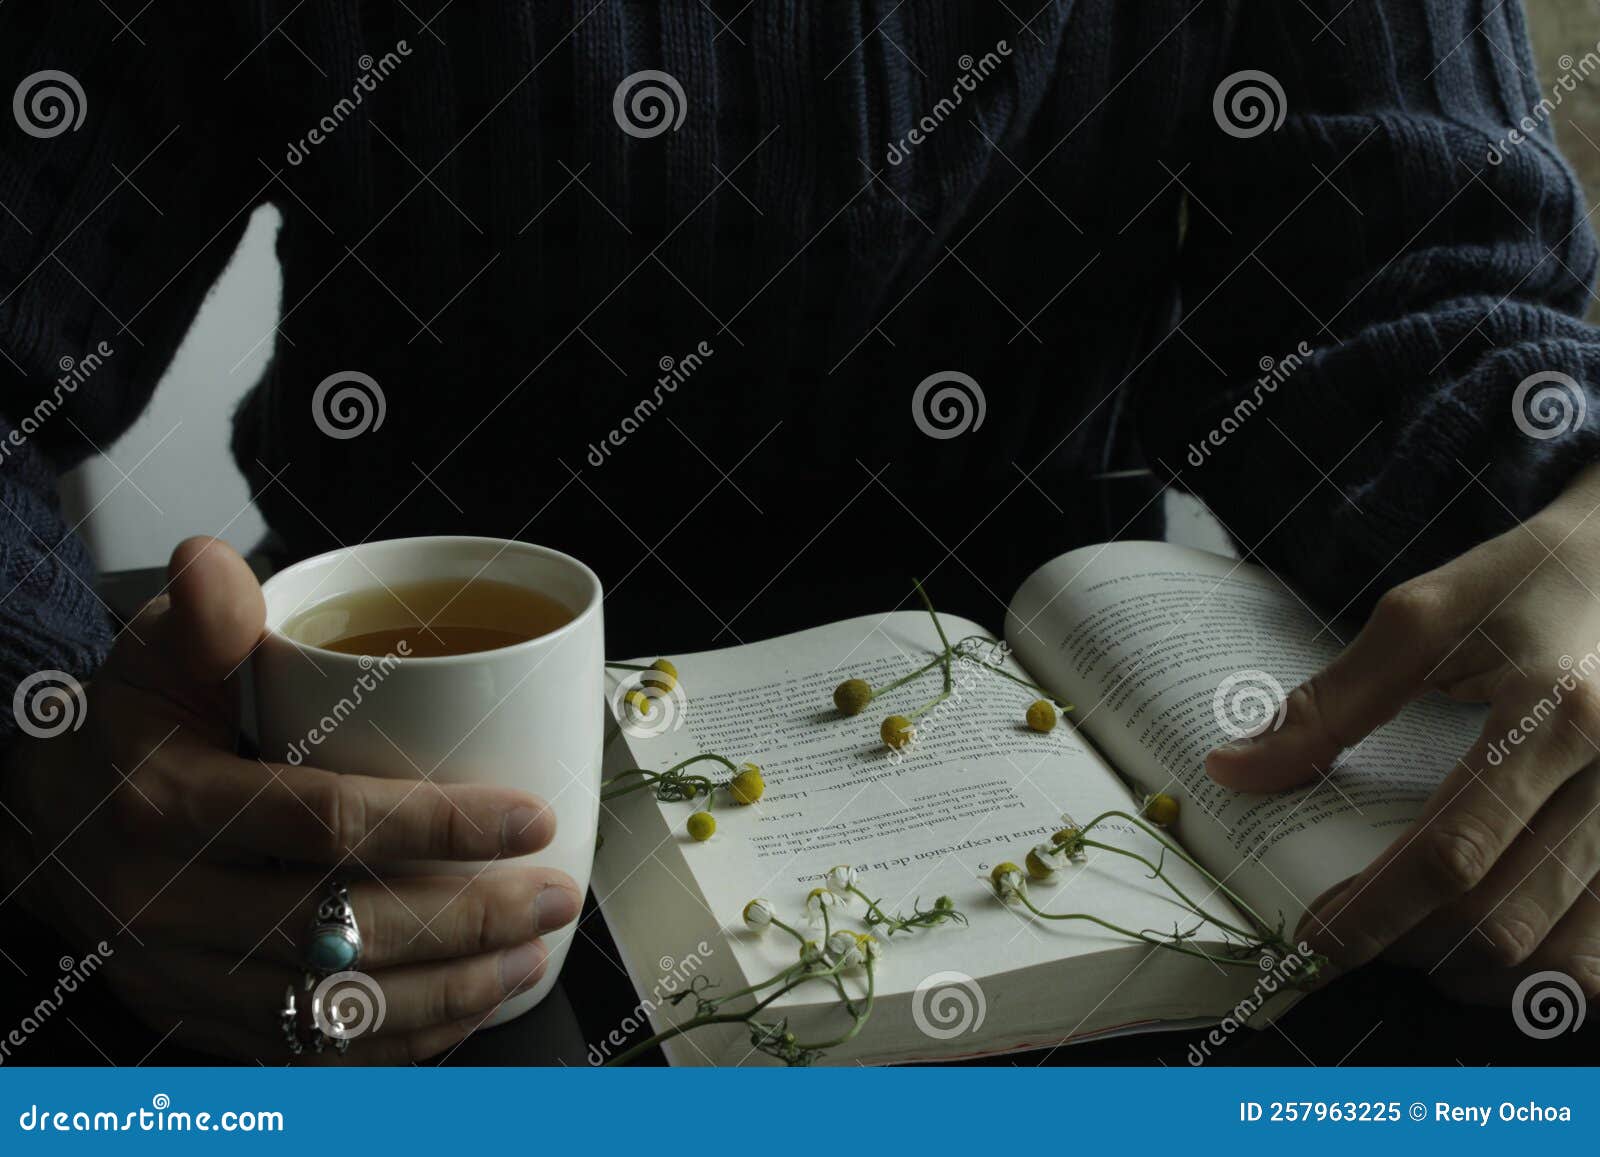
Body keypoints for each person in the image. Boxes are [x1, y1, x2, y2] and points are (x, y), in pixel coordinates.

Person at [1, 1, 1597, 1063]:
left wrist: (1579, 510)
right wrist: (34, 725)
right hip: (357, 838)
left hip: (1070, 827)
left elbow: (1429, 291)